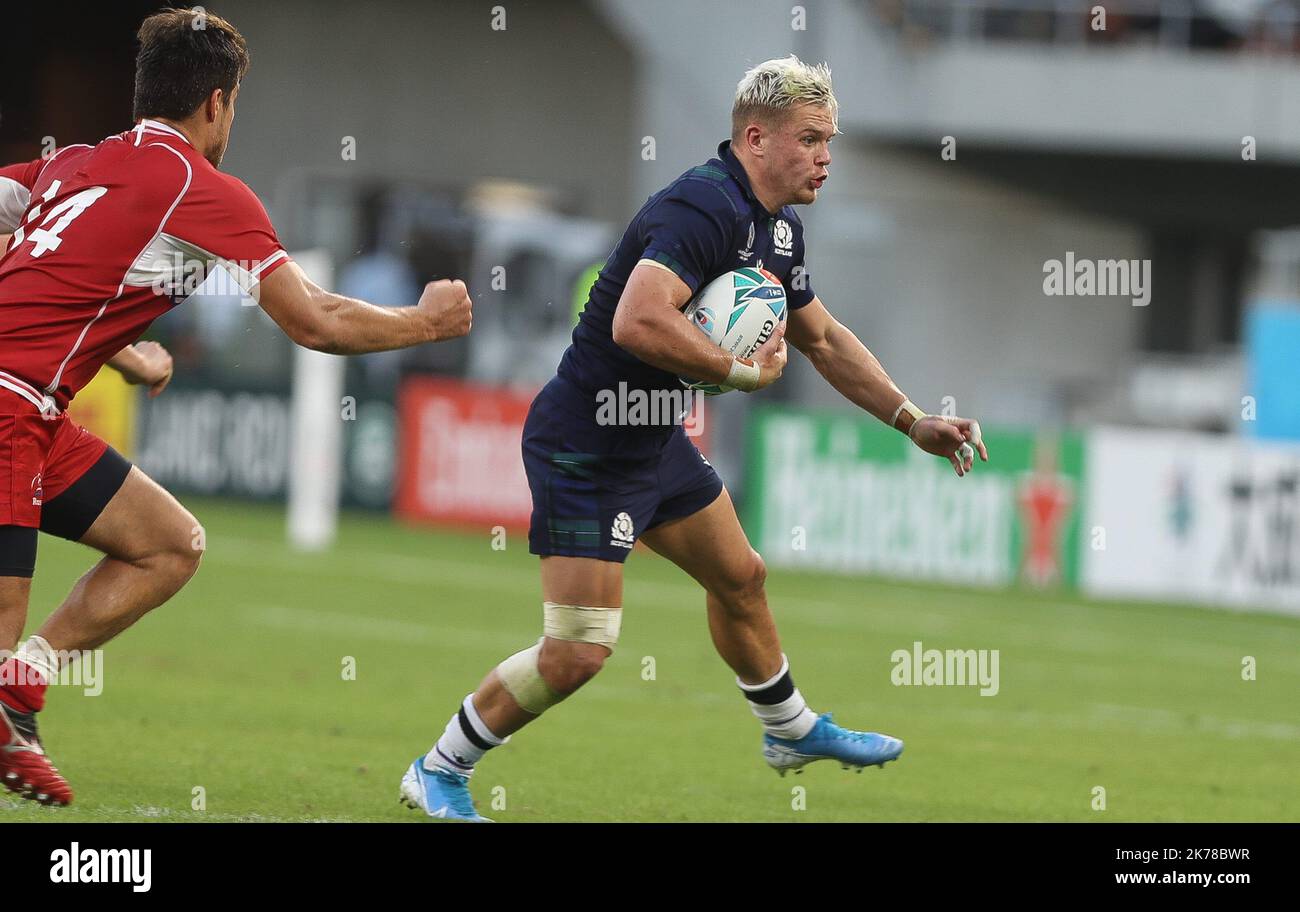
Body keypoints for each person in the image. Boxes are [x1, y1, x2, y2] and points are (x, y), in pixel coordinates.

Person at [401, 54, 987, 821]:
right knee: (579, 651)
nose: (825, 157)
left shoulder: (779, 230)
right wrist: (739, 374)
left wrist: (912, 420)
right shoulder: (702, 206)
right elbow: (637, 319)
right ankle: (439, 767)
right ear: (756, 138)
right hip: (586, 445)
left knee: (741, 577)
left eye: (830, 141)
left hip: (652, 439)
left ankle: (789, 729)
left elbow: (823, 339)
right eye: (810, 139)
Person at [0, 8, 472, 806]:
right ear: (216, 103)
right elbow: (314, 320)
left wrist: (118, 351)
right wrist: (426, 324)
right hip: (12, 411)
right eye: (236, 104)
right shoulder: (200, 186)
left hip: (36, 412)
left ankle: (21, 689)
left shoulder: (73, 165)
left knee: (168, 544)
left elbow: (49, 277)